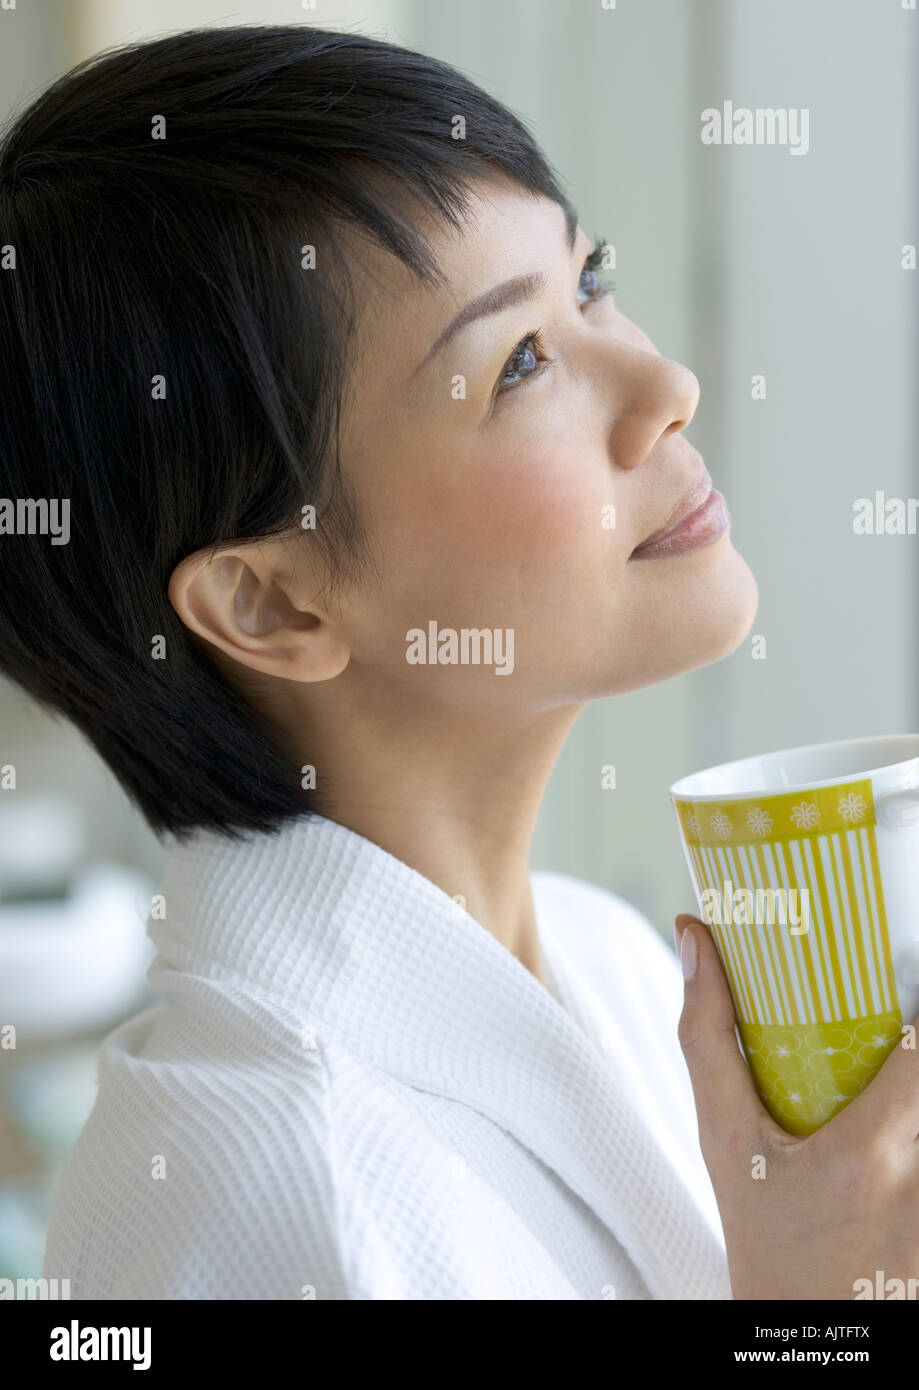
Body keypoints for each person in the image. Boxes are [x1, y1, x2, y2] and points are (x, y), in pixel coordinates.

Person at [2, 24, 914, 1300]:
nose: (666, 381)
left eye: (587, 280)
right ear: (268, 601)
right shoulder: (264, 1185)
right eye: (520, 362)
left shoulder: (614, 966)